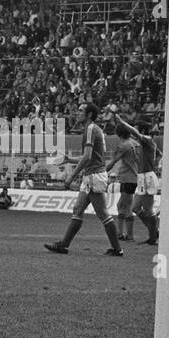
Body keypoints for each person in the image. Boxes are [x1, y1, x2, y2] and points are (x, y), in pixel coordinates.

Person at [44, 103, 124, 256]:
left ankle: (117, 249)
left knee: (103, 214)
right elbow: (89, 157)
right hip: (92, 175)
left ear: (88, 115)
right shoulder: (94, 129)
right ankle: (64, 245)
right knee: (78, 210)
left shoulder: (90, 129)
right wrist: (69, 160)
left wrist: (71, 176)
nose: (77, 112)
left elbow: (87, 157)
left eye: (80, 110)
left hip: (93, 176)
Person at [113, 112, 160, 245]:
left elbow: (135, 133)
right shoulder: (146, 143)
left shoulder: (147, 140)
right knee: (135, 208)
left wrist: (122, 122)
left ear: (142, 130)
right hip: (143, 177)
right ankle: (153, 230)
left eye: (137, 129)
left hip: (148, 177)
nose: (135, 132)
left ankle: (153, 235)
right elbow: (158, 155)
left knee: (147, 209)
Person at [106, 123, 142, 240]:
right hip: (132, 177)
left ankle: (129, 235)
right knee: (120, 205)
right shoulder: (135, 144)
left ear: (118, 133)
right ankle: (120, 233)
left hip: (128, 177)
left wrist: (102, 172)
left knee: (126, 206)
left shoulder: (123, 146)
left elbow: (113, 162)